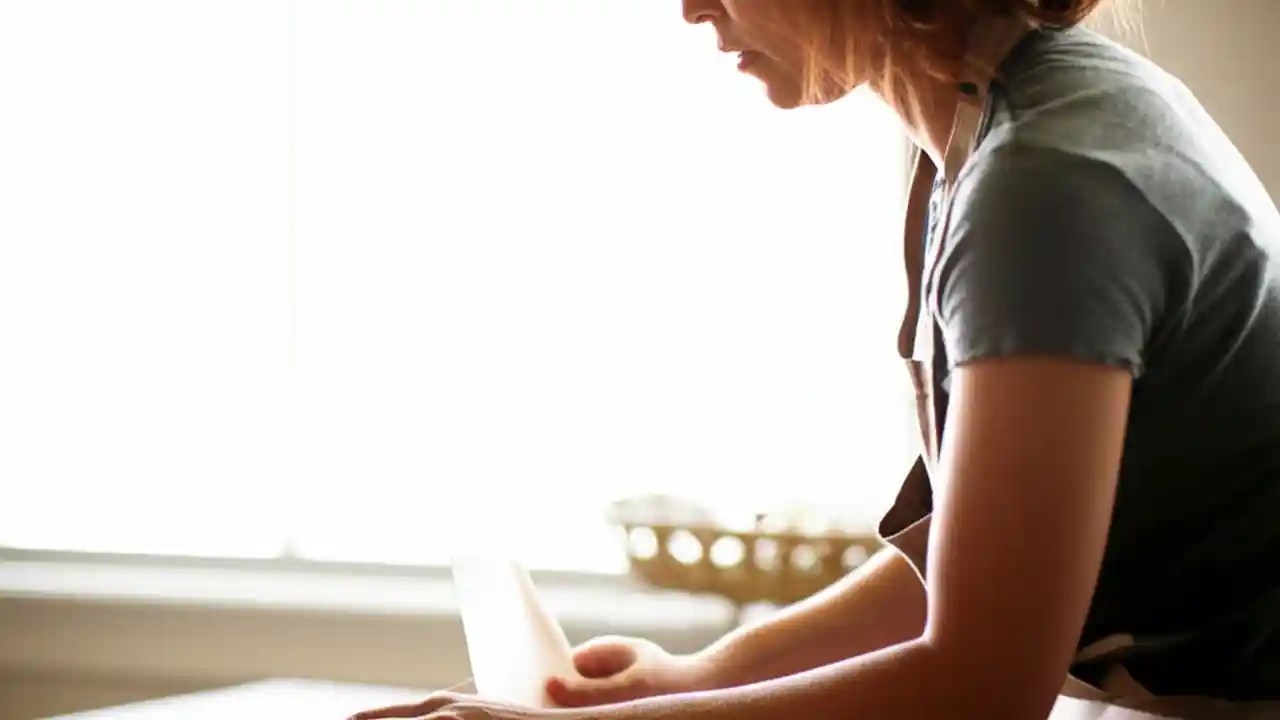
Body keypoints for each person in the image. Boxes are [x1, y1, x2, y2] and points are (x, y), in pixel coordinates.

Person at [353, 0, 1280, 718]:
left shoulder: (1047, 187)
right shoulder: (1016, 128)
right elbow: (979, 556)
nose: (690, 6)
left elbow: (982, 686)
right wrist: (694, 677)